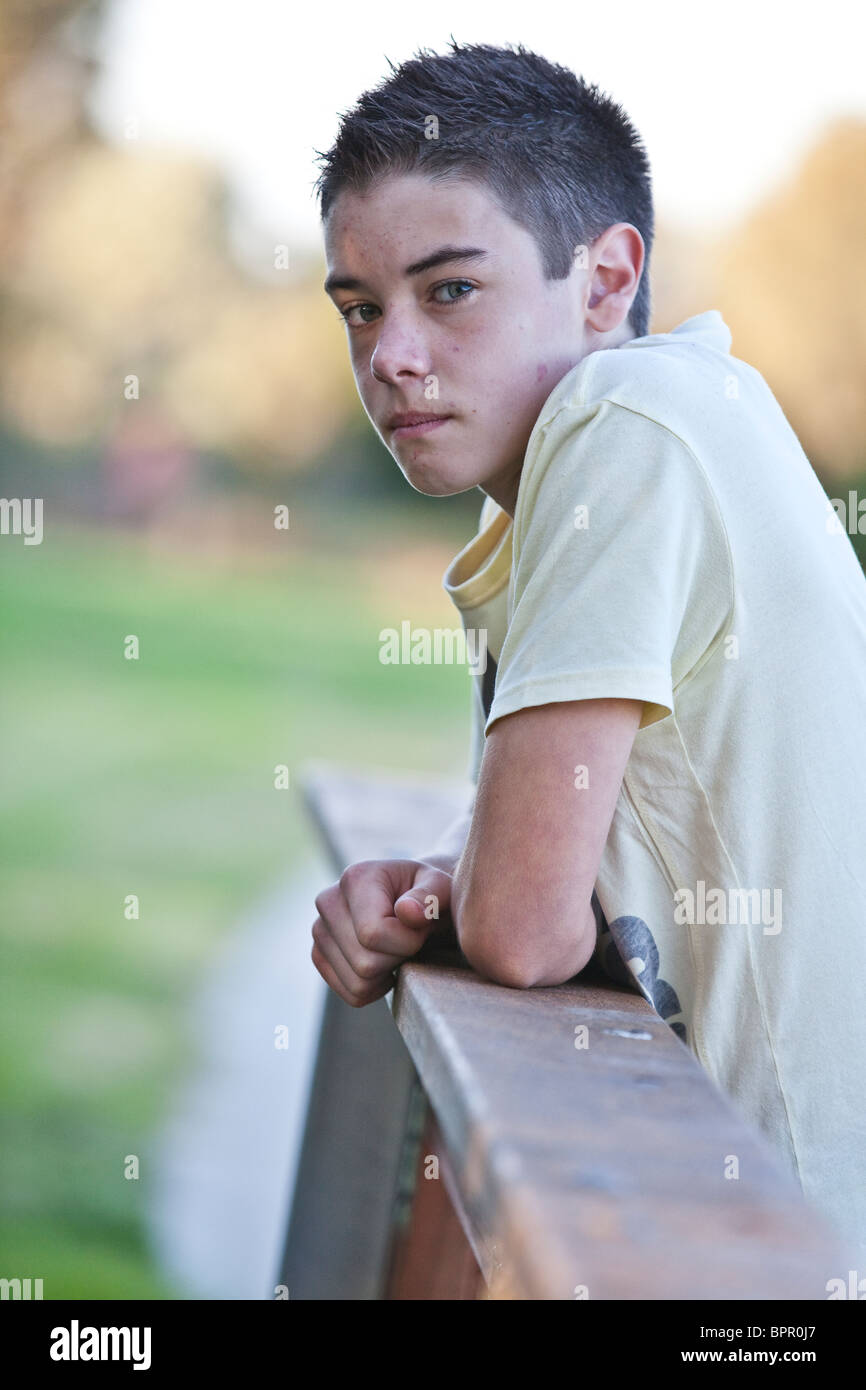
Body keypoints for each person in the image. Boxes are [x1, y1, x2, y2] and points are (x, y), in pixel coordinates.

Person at [309, 38, 866, 1257]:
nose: (390, 354)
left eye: (448, 289)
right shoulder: (659, 424)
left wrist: (465, 900)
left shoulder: (623, 429)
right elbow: (540, 874)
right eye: (359, 307)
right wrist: (421, 892)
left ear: (605, 279)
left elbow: (521, 928)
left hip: (779, 1243)